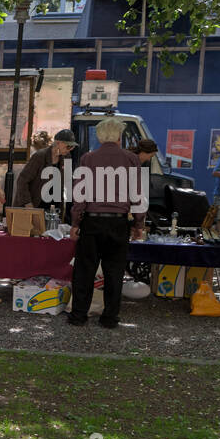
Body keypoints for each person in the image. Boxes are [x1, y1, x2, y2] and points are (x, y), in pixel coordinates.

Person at [67, 116, 145, 329]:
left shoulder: (87, 159)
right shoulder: (131, 159)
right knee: (115, 272)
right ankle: (110, 318)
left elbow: (79, 195)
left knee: (84, 271)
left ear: (100, 137)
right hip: (119, 223)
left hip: (92, 222)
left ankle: (78, 316)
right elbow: (138, 195)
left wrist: (76, 222)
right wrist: (138, 224)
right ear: (119, 136)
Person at [14, 128, 77, 214]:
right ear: (58, 143)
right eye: (68, 146)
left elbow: (68, 181)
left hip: (54, 207)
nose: (70, 149)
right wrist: (28, 204)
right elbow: (22, 181)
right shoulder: (40, 156)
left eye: (72, 147)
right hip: (35, 205)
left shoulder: (67, 157)